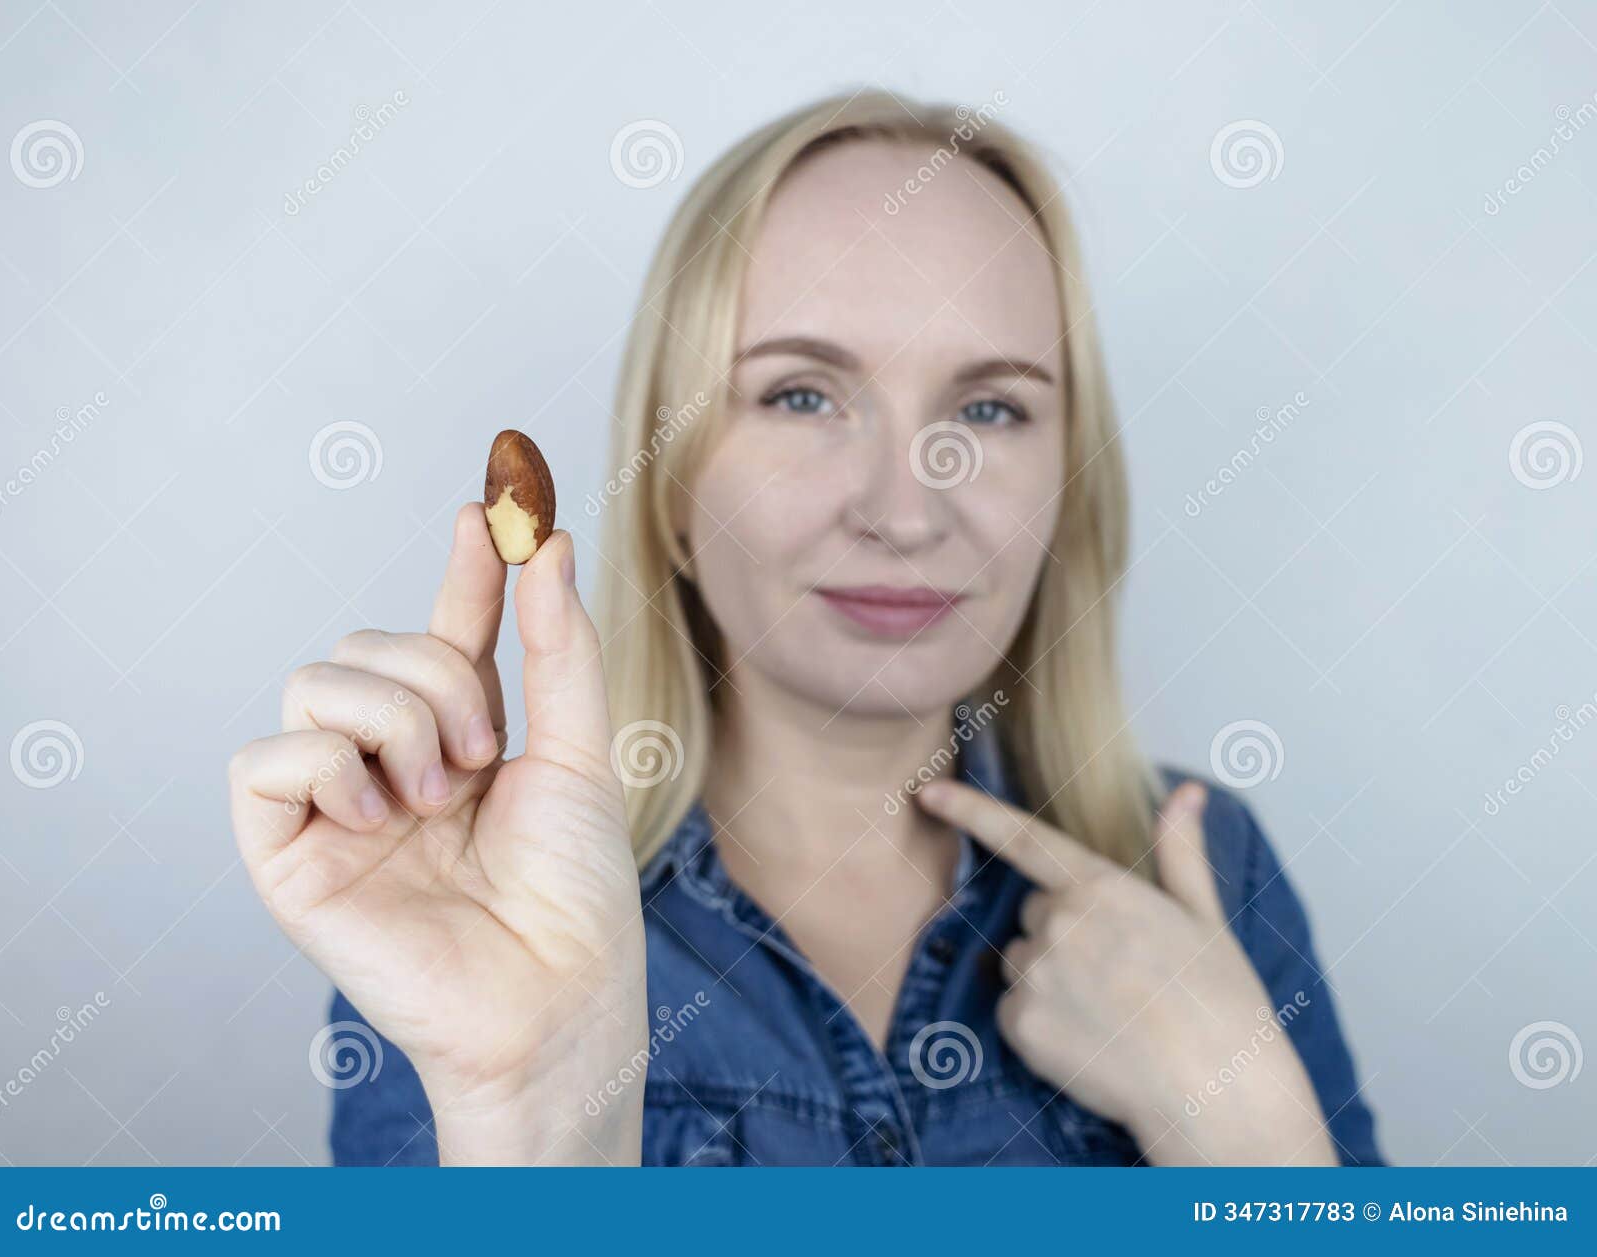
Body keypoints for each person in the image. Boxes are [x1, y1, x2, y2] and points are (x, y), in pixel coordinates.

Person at [227, 90, 1381, 1167]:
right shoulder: (474, 901)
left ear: (1066, 487)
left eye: (989, 408)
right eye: (801, 396)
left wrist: (1242, 1121)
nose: (903, 509)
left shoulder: (1202, 874)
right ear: (671, 482)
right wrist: (529, 1118)